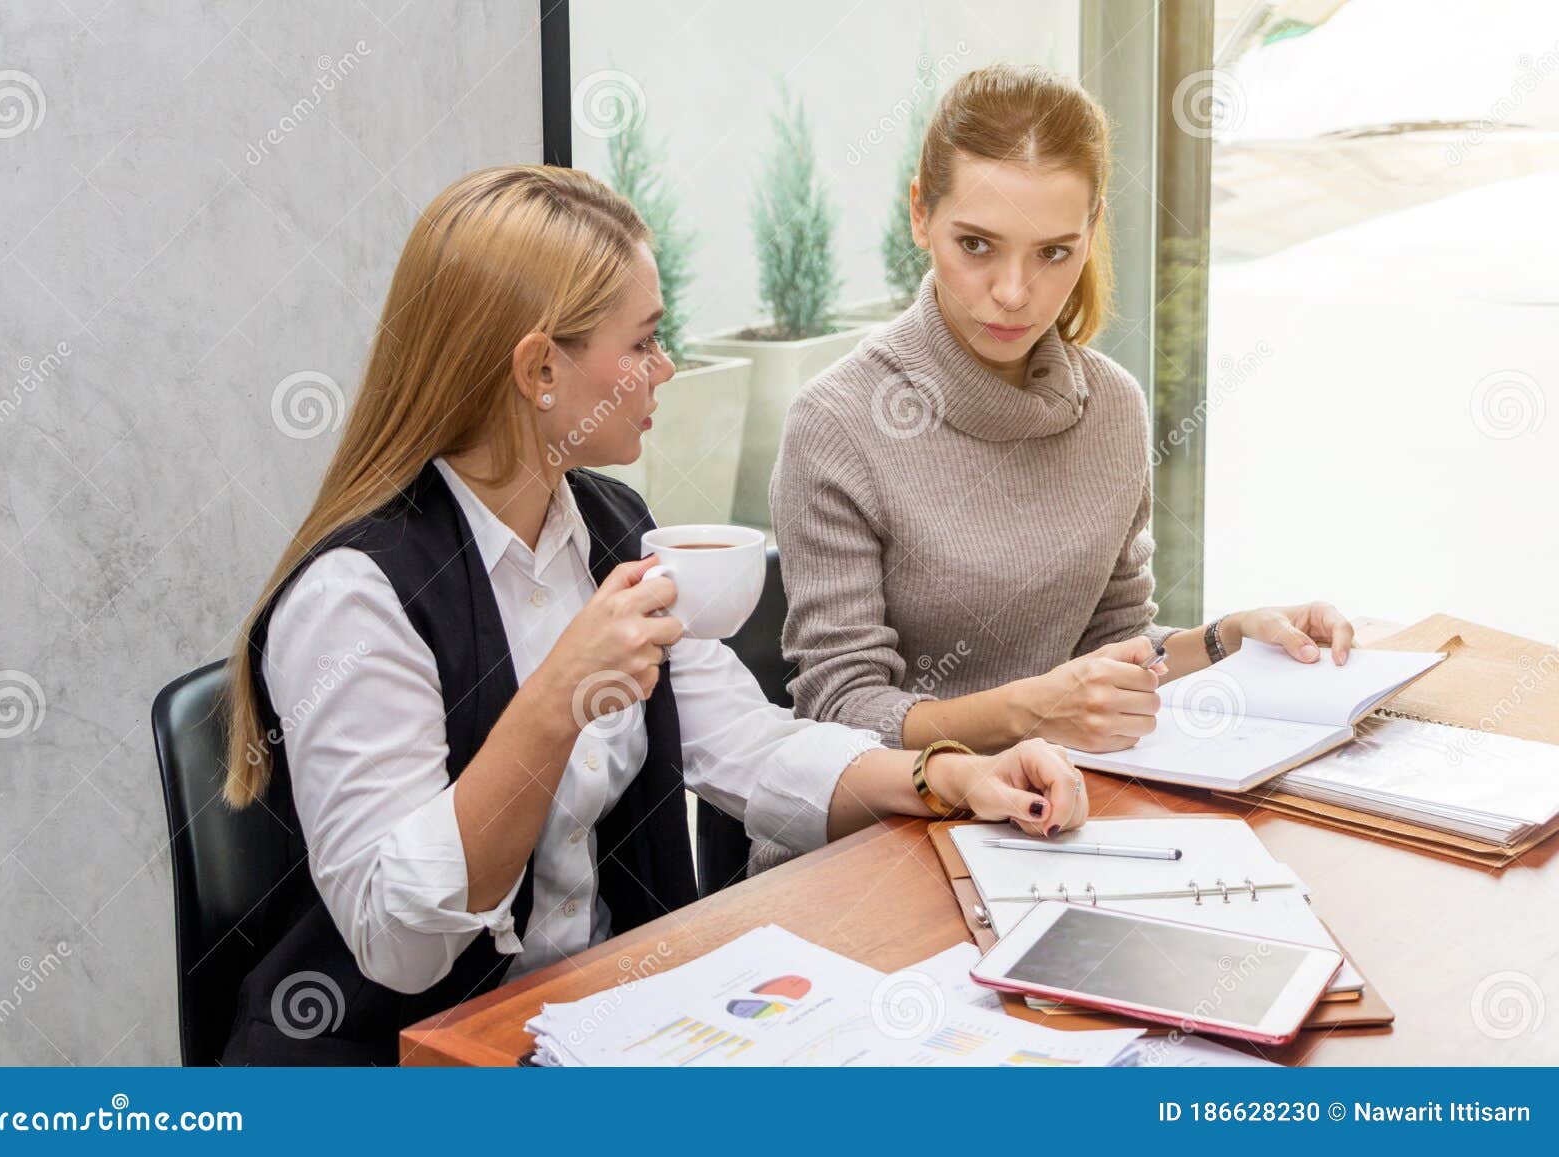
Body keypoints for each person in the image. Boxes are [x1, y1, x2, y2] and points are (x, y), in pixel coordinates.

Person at [218, 165, 1088, 1065]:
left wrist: (947, 776)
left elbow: (750, 747)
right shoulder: (355, 597)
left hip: (596, 1028)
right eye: (644, 342)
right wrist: (558, 699)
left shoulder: (610, 528)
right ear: (540, 369)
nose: (664, 368)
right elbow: (400, 942)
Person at [771, 63, 1354, 756]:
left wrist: (1232, 639)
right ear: (920, 214)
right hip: (883, 834)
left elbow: (1116, 649)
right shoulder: (837, 424)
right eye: (977, 244)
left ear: (1092, 229)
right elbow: (842, 713)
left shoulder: (1112, 408)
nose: (1014, 292)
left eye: (1053, 252)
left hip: (1054, 813)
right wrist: (1032, 712)